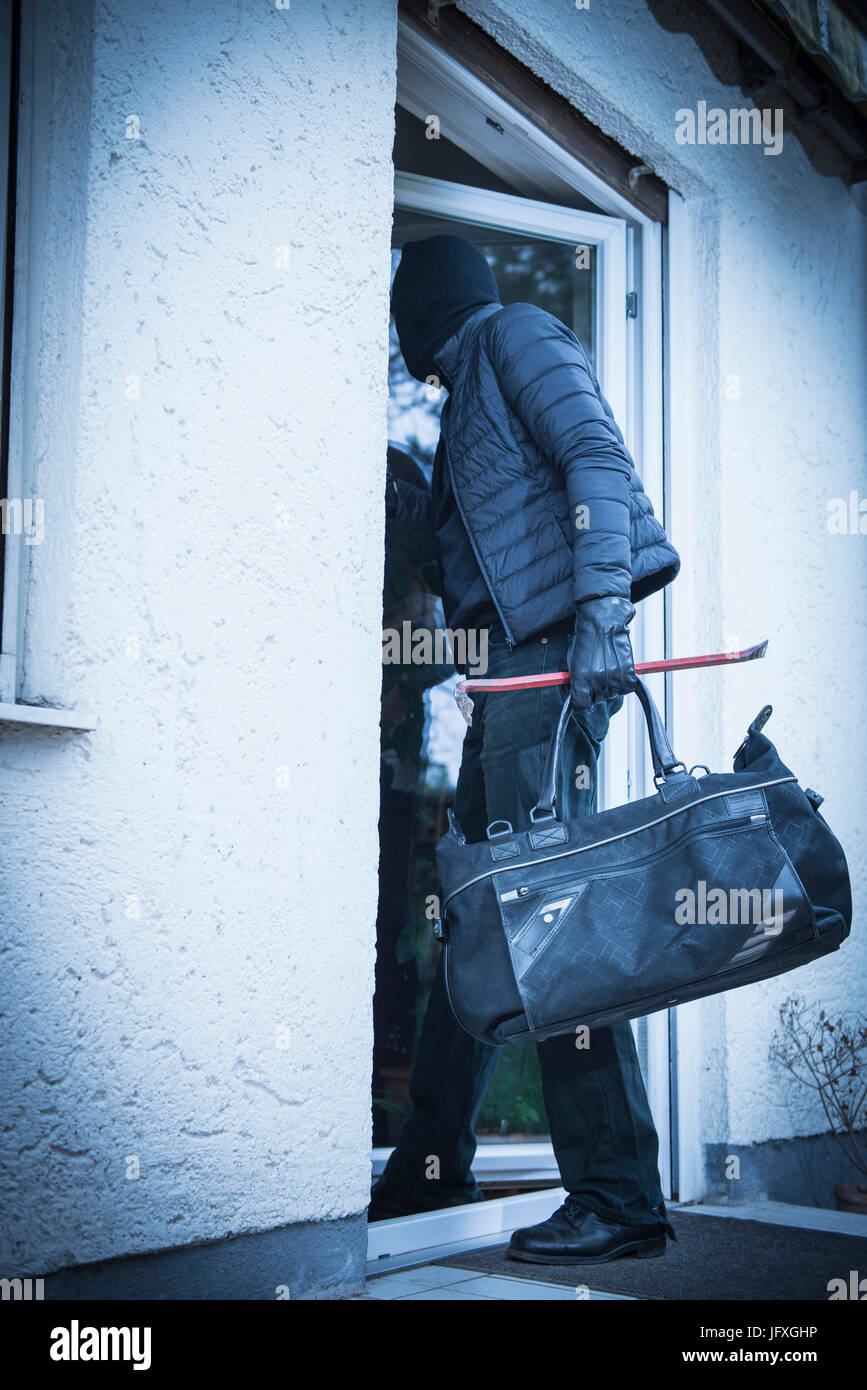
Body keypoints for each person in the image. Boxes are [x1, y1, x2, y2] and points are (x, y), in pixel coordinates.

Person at [370, 234, 680, 1265]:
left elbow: (596, 460)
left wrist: (602, 619)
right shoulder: (463, 401)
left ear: (426, 309)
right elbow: (478, 549)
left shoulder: (516, 333)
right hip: (512, 684)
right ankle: (429, 1163)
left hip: (554, 670)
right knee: (479, 921)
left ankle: (617, 1193)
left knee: (550, 922)